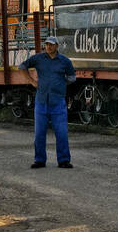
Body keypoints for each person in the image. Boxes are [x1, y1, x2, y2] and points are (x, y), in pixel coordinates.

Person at [20, 35, 76, 169]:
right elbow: (22, 66)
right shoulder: (39, 58)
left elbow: (72, 77)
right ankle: (39, 160)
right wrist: (32, 81)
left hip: (58, 101)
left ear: (57, 46)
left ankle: (63, 160)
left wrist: (61, 84)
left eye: (51, 44)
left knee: (61, 132)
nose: (48, 47)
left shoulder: (64, 61)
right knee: (39, 133)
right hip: (41, 101)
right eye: (46, 44)